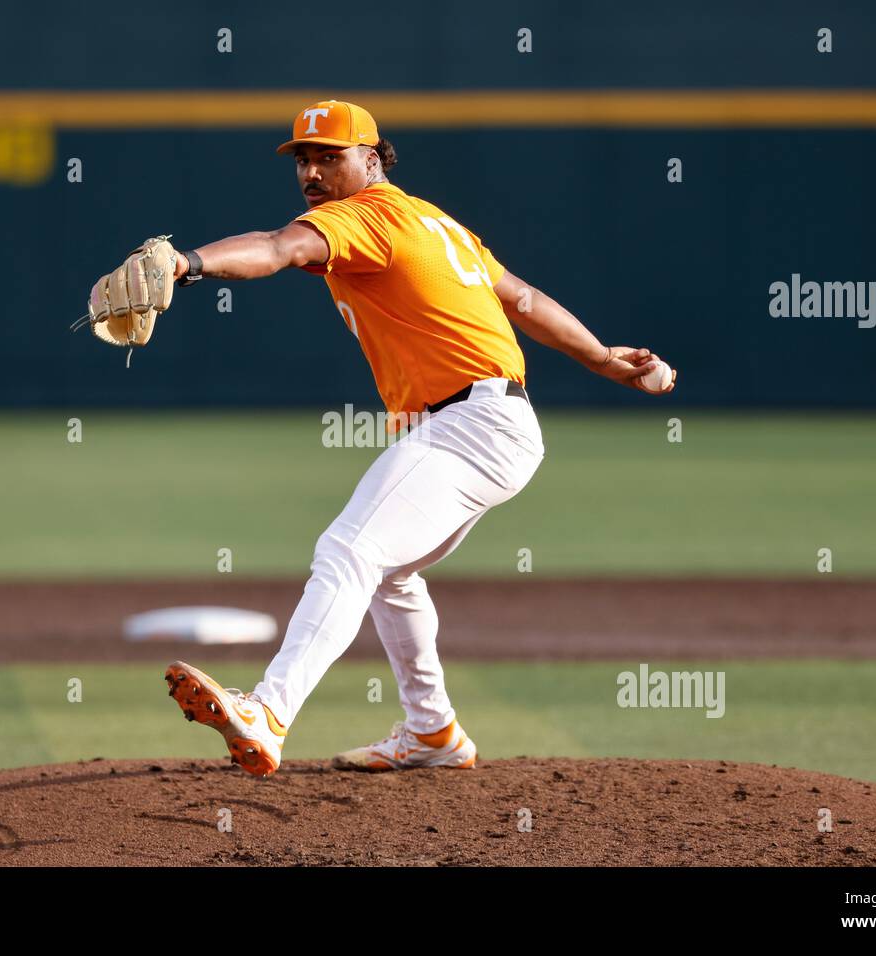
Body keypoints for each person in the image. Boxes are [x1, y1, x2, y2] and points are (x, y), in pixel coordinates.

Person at [117, 100, 675, 776]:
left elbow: (274, 248)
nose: (313, 171)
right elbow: (520, 297)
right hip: (486, 423)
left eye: (331, 155)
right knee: (390, 574)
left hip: (471, 425)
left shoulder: (362, 217)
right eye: (304, 158)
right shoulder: (434, 219)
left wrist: (185, 263)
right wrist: (604, 359)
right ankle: (433, 730)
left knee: (349, 549)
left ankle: (268, 712)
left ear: (374, 158)